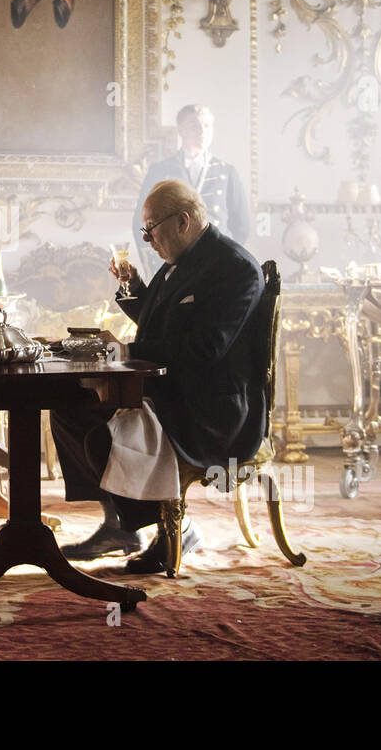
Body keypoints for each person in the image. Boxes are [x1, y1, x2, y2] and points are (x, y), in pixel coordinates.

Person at [52, 179, 266, 573]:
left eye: (150, 229)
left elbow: (205, 348)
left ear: (183, 221)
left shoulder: (235, 269)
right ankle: (120, 525)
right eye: (144, 231)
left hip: (211, 406)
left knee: (102, 435)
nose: (147, 240)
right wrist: (132, 286)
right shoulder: (183, 262)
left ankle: (176, 530)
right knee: (69, 405)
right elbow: (162, 325)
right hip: (172, 387)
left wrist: (130, 351)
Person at [134, 104, 250, 276]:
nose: (202, 132)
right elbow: (141, 222)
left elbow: (241, 225)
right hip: (172, 265)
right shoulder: (160, 171)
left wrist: (228, 258)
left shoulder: (226, 172)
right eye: (194, 126)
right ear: (180, 130)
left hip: (217, 263)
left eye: (207, 126)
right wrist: (154, 261)